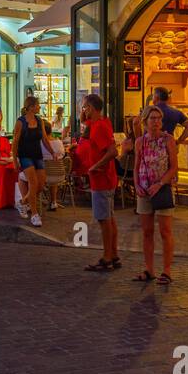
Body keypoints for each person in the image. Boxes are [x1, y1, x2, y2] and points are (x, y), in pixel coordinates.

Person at [132, 105, 179, 285]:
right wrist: (136, 183)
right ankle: (149, 269)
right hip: (144, 190)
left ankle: (166, 270)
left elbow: (173, 166)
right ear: (145, 121)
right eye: (152, 118)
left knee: (165, 231)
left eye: (159, 119)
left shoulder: (168, 140)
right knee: (147, 232)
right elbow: (136, 166)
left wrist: (160, 183)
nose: (156, 122)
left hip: (162, 189)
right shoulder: (140, 142)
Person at [83, 94, 121, 272]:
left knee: (104, 219)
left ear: (91, 107)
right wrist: (85, 119)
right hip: (108, 178)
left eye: (85, 107)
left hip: (101, 179)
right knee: (110, 217)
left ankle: (107, 256)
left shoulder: (99, 128)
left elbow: (112, 152)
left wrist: (95, 166)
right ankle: (113, 254)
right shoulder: (103, 123)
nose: (84, 110)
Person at [11, 95, 52, 228]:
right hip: (25, 155)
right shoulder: (20, 122)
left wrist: (52, 152)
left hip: (37, 155)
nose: (39, 107)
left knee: (40, 185)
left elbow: (45, 139)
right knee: (33, 183)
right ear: (31, 106)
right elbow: (15, 142)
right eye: (38, 105)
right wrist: (15, 160)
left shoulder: (39, 120)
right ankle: (34, 215)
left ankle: (22, 202)